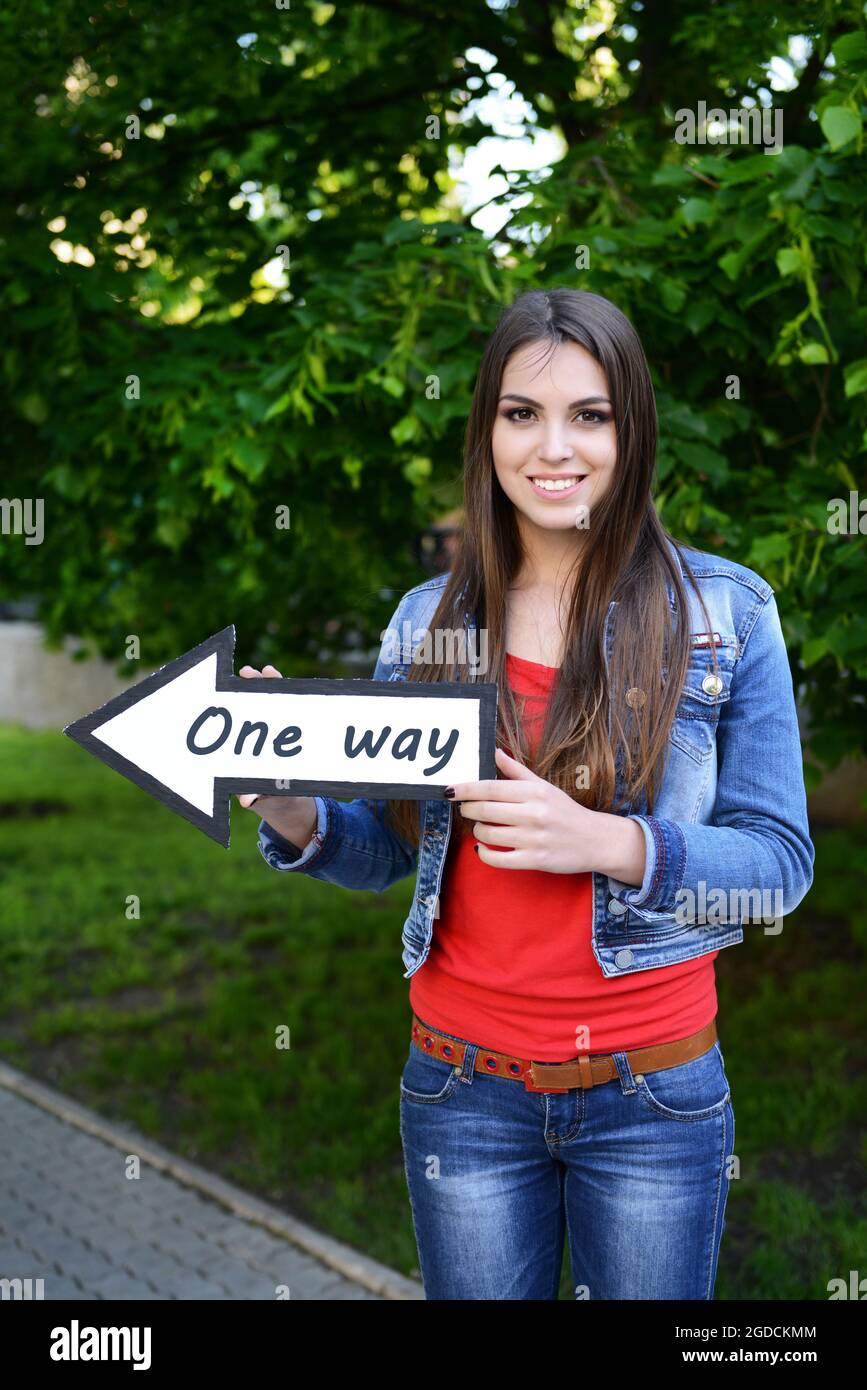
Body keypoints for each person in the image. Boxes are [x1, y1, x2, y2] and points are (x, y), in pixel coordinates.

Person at [238, 288, 815, 1300]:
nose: (556, 447)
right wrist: (290, 808)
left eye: (589, 414)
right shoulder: (429, 618)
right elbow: (388, 847)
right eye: (521, 413)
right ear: (487, 431)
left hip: (654, 1091)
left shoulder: (727, 609)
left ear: (631, 430)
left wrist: (607, 842)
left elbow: (776, 870)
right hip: (458, 1089)